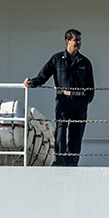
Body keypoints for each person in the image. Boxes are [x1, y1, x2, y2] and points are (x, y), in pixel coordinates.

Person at [22, 29, 95, 166]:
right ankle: (60, 161)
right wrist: (32, 82)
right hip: (63, 100)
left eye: (80, 40)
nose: (79, 43)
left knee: (76, 133)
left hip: (79, 102)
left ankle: (72, 162)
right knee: (61, 130)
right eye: (76, 40)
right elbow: (43, 75)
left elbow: (90, 86)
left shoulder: (85, 62)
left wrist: (86, 101)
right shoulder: (57, 59)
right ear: (68, 41)